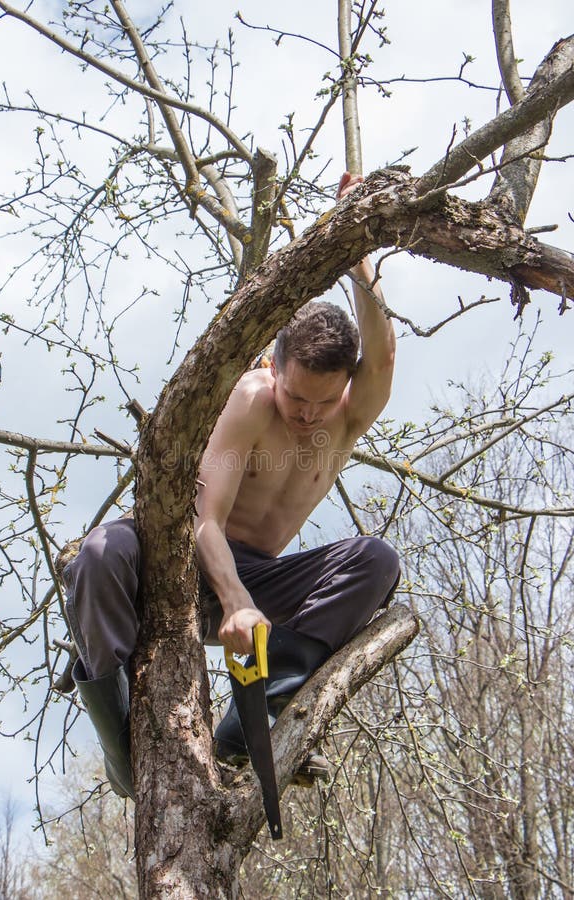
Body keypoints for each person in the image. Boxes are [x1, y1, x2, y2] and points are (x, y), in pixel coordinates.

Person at [62, 173, 400, 800]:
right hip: (191, 554)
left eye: (319, 404)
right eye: (293, 395)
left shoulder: (352, 412)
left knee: (376, 561)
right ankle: (124, 746)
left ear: (345, 393)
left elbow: (381, 357)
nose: (303, 413)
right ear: (273, 368)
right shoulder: (251, 396)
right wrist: (236, 598)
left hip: (260, 575)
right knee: (99, 554)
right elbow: (205, 520)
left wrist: (361, 255)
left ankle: (244, 733)